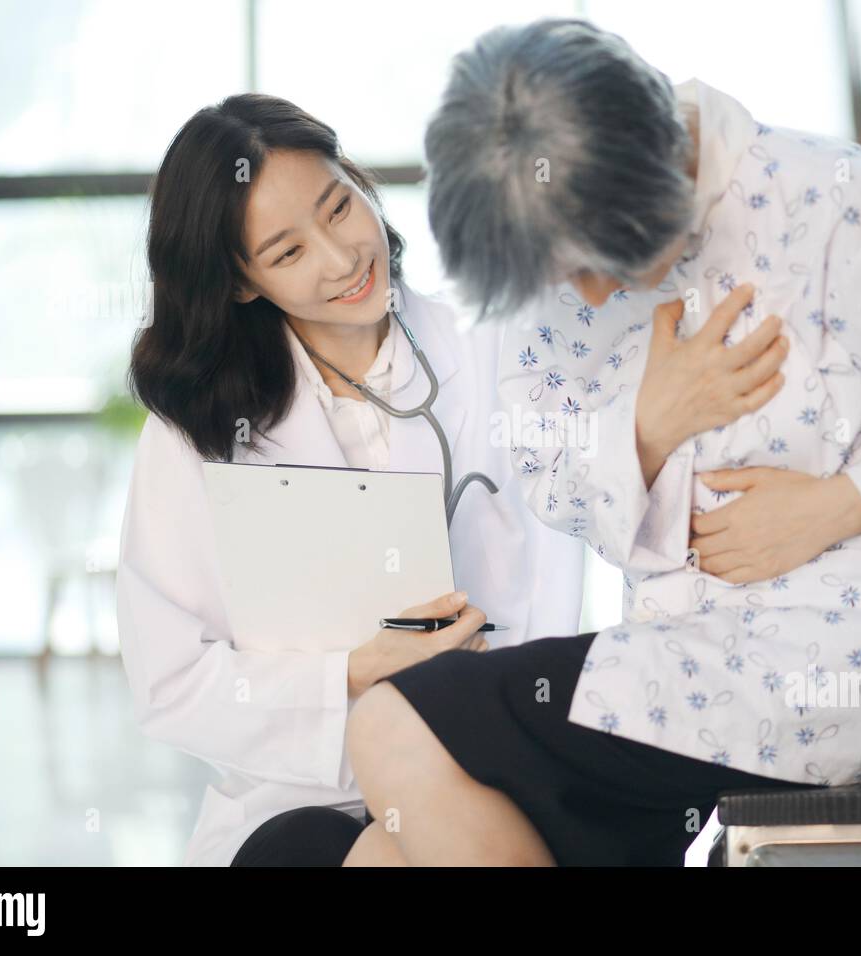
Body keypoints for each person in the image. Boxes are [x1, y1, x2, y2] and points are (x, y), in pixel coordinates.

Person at [342, 18, 861, 866]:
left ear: (655, 170)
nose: (589, 295)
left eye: (597, 264)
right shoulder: (553, 237)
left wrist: (841, 507)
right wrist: (648, 424)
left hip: (831, 672)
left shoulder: (840, 210)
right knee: (340, 850)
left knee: (391, 720)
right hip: (686, 662)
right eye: (562, 275)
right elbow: (544, 464)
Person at [116, 93, 583, 866]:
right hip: (303, 790)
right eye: (288, 253)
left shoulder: (500, 349)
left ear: (360, 182)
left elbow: (617, 494)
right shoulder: (193, 432)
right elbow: (172, 684)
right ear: (240, 283)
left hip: (500, 753)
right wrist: (353, 674)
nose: (341, 260)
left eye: (338, 208)